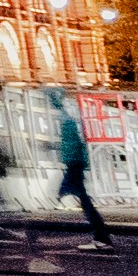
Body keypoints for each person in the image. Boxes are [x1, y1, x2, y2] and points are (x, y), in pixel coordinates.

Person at [46, 90, 116, 247]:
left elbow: (72, 144)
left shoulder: (66, 120)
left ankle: (101, 237)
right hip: (75, 164)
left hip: (74, 164)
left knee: (82, 200)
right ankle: (101, 236)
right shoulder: (69, 119)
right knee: (80, 199)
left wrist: (69, 161)